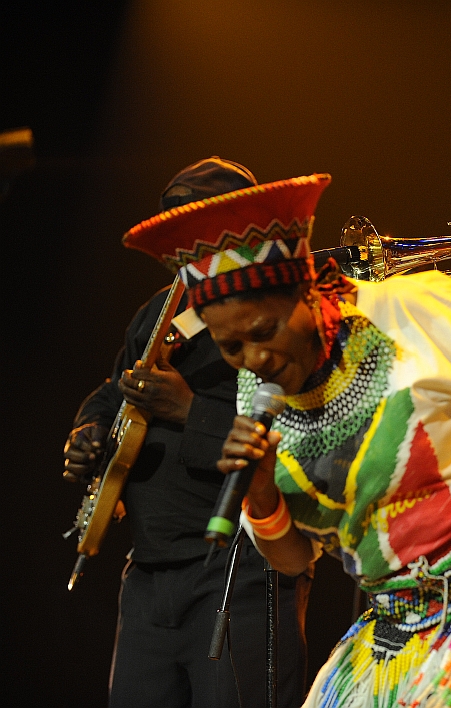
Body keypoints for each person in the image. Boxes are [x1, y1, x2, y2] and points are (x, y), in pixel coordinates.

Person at [120, 171, 451, 708]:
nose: (254, 358)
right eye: (231, 347)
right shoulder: (254, 392)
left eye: (264, 332)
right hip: (403, 620)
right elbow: (291, 559)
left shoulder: (408, 308)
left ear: (308, 292)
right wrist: (260, 492)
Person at [63, 157, 311, 708]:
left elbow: (299, 430)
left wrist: (188, 408)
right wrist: (89, 427)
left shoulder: (275, 305)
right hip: (149, 573)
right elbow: (114, 389)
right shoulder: (159, 312)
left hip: (238, 568)